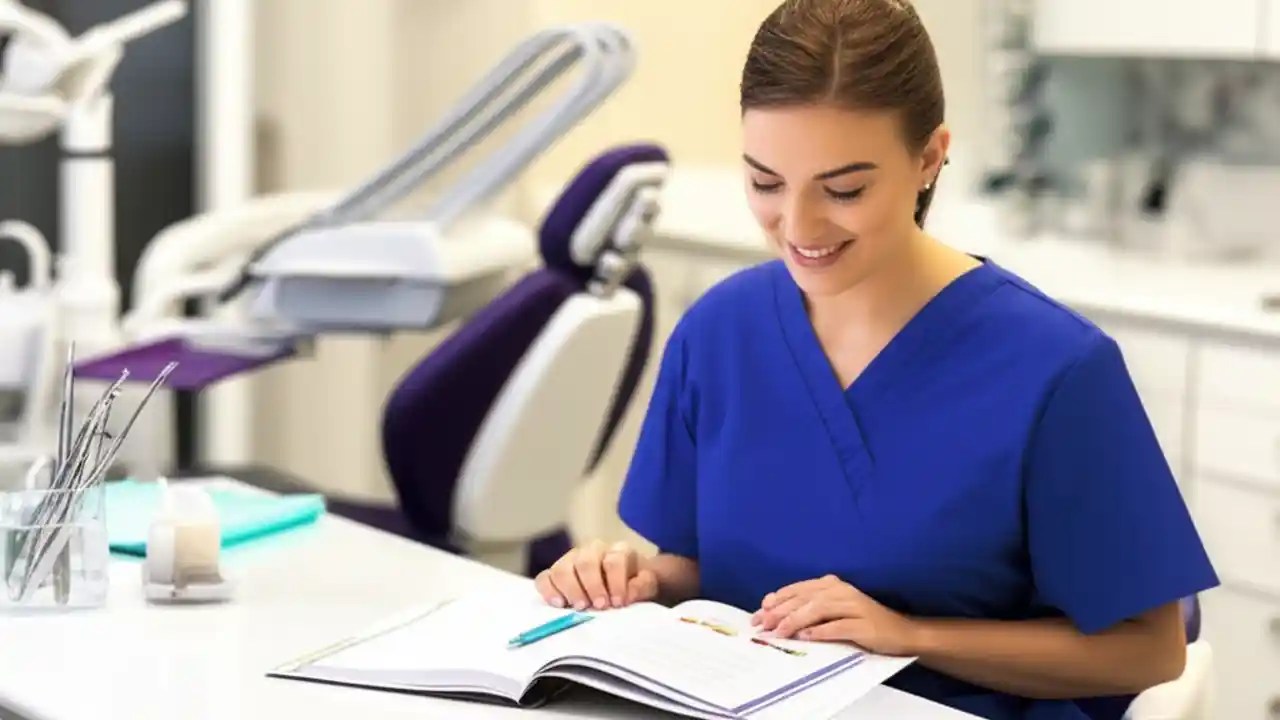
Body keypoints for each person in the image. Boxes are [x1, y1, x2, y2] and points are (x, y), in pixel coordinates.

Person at [534, 1, 1219, 717]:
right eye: (766, 182)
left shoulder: (1055, 370)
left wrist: (910, 635)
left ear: (928, 157)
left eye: (844, 189)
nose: (798, 227)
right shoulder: (720, 330)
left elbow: (1150, 648)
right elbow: (700, 569)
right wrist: (629, 576)